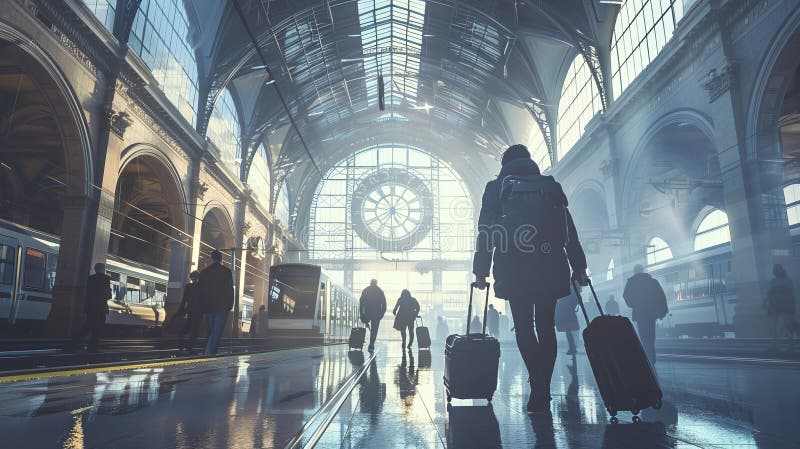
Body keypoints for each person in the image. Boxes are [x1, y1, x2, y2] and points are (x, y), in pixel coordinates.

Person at [473, 144, 588, 414]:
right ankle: (542, 387)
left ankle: (537, 382)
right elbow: (568, 227)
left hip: (513, 266)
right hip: (550, 264)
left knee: (524, 327)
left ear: (505, 163)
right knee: (546, 327)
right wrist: (578, 265)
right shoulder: (549, 184)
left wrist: (481, 269)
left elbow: (487, 230)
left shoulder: (495, 187)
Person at [623, 264, 668, 365]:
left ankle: (647, 358)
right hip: (651, 314)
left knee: (643, 337)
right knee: (651, 336)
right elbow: (661, 296)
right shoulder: (652, 281)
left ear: (634, 271)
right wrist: (662, 311)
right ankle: (652, 357)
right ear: (642, 270)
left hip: (640, 315)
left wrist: (635, 305)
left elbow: (626, 297)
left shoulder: (631, 282)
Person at [199, 250, 234, 356]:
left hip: (208, 307)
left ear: (211, 258)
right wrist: (229, 305)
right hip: (222, 308)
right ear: (221, 259)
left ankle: (210, 353)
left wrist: (202, 306)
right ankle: (209, 354)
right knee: (217, 332)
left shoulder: (204, 272)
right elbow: (230, 290)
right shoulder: (226, 271)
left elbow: (201, 290)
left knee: (210, 332)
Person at [74, 263, 111, 352]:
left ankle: (76, 342)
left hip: (90, 307)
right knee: (98, 329)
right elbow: (108, 295)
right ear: (103, 269)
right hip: (101, 308)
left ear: (95, 269)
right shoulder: (106, 279)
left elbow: (87, 294)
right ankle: (93, 347)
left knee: (88, 326)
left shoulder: (90, 279)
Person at [764, 264, 796, 351]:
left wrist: (765, 303)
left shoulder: (773, 282)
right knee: (787, 325)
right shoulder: (788, 281)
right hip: (785, 306)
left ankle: (775, 344)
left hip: (774, 306)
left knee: (774, 326)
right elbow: (791, 294)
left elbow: (768, 294)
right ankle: (790, 344)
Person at [177, 270, 202, 354]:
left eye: (194, 279)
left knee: (185, 329)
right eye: (193, 279)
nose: (194, 280)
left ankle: (181, 346)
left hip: (190, 311)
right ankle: (188, 347)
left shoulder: (188, 287)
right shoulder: (201, 287)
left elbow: (184, 299)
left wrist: (181, 310)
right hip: (197, 312)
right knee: (194, 331)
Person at [360, 279, 387, 353]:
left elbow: (361, 303)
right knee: (374, 330)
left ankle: (360, 341)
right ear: (376, 283)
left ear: (370, 283)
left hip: (367, 313)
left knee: (363, 328)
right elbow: (384, 304)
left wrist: (362, 314)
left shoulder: (366, 290)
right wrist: (381, 314)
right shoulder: (380, 291)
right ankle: (371, 344)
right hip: (376, 314)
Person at [555, 285, 580, 355]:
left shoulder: (565, 295)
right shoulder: (572, 294)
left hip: (566, 315)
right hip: (569, 315)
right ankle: (573, 347)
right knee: (570, 332)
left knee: (569, 332)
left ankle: (572, 347)